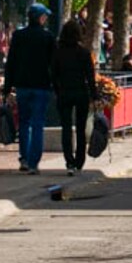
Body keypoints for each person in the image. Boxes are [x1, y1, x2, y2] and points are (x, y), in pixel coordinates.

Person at [4, 2, 56, 174]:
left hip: (22, 85)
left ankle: (24, 158)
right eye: (45, 16)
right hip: (41, 85)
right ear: (41, 18)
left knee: (24, 123)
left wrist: (7, 86)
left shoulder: (19, 36)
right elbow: (53, 63)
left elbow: (11, 62)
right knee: (38, 124)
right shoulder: (47, 37)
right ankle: (34, 162)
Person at [52, 18, 99, 174]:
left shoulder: (58, 53)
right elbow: (90, 77)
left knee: (66, 127)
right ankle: (80, 159)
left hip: (64, 92)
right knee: (80, 127)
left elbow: (53, 75)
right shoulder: (84, 53)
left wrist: (58, 90)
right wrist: (95, 95)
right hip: (80, 92)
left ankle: (69, 160)